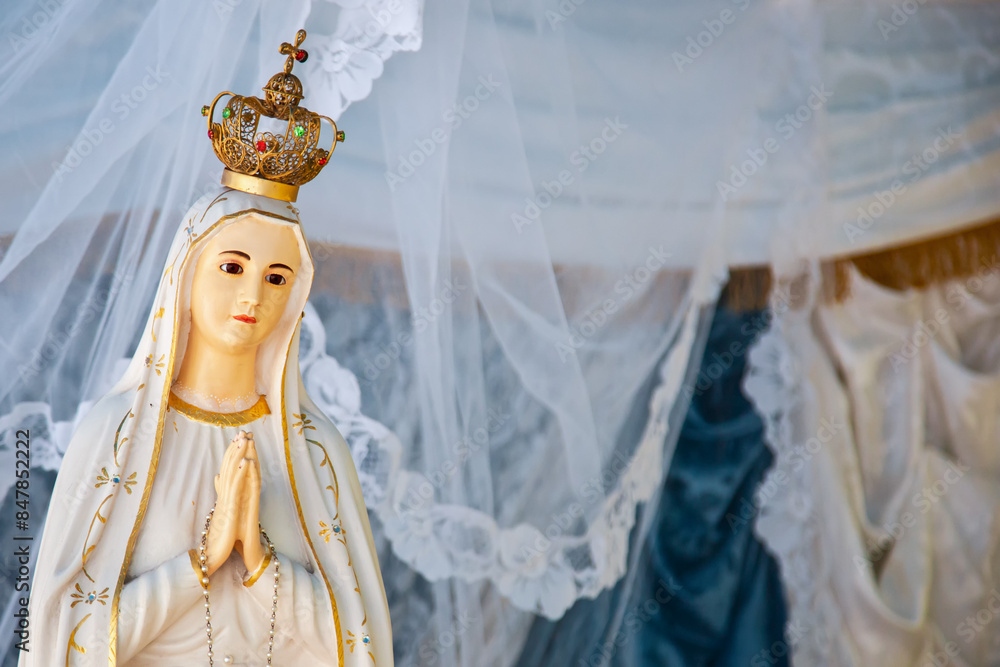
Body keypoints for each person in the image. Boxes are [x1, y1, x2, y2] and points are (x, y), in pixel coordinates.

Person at [21, 187, 393, 666]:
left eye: (277, 278)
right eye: (233, 267)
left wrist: (258, 562)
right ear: (187, 269)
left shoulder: (316, 449)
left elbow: (359, 643)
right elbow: (64, 640)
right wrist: (202, 559)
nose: (253, 296)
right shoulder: (118, 436)